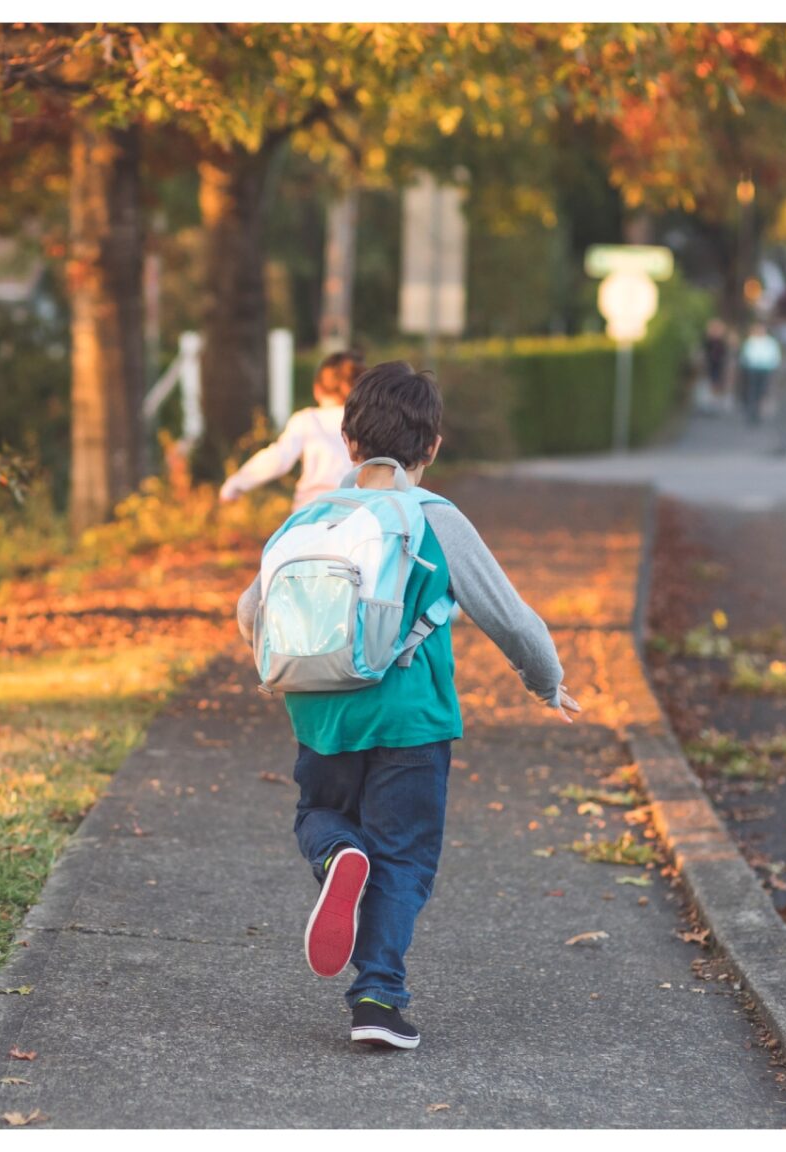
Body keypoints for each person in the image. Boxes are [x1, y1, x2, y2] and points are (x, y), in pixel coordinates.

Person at [235, 361, 580, 1051]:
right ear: (433, 446)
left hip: (321, 715)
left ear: (349, 439)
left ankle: (336, 857)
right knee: (403, 857)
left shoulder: (312, 514)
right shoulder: (434, 518)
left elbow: (251, 610)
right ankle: (378, 999)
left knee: (320, 815)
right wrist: (547, 683)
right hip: (412, 723)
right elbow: (512, 621)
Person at [218, 349, 362, 509]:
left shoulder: (307, 420)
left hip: (311, 510)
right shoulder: (364, 421)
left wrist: (236, 483)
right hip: (354, 510)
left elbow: (277, 458)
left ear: (317, 389)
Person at [738, 321, 781, 425]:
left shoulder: (770, 342)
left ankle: (759, 412)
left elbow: (775, 356)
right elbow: (745, 355)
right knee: (752, 390)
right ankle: (751, 412)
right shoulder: (751, 341)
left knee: (763, 391)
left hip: (765, 369)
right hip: (752, 369)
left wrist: (773, 366)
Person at [701, 318, 730, 411]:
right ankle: (708, 403)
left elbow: (725, 353)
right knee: (709, 383)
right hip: (709, 365)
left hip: (719, 365)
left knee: (717, 383)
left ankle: (714, 402)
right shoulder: (708, 340)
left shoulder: (722, 341)